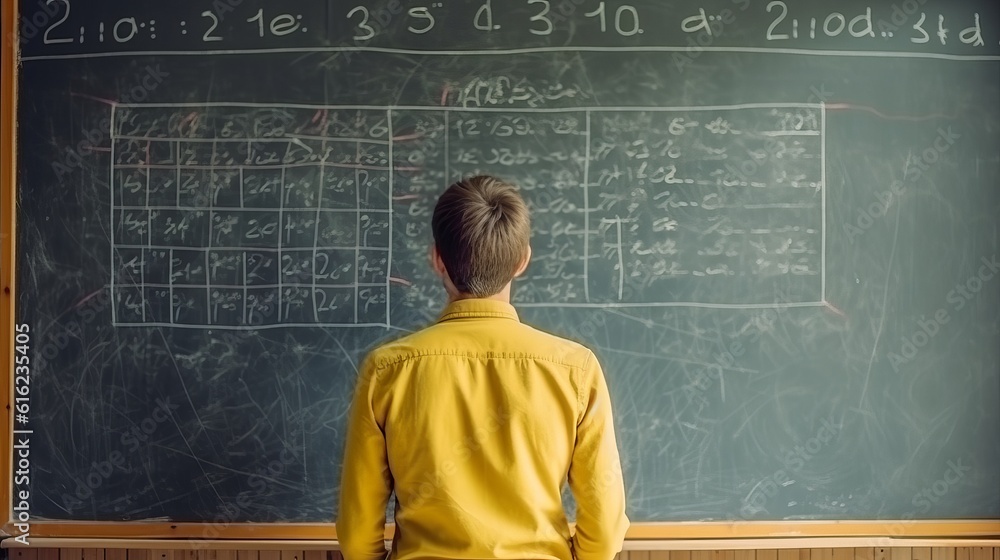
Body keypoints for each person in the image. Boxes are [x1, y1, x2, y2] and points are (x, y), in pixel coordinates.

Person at [337, 175, 629, 560]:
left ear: (437, 258)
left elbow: (358, 534)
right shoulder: (575, 369)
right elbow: (604, 529)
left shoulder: (387, 369)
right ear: (523, 260)